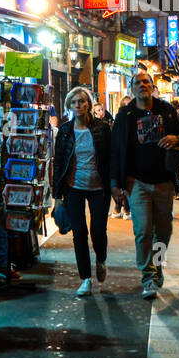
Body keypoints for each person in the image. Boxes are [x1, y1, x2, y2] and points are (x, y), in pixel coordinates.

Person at [111, 72, 179, 299]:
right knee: (143, 231)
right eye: (138, 83)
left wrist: (176, 139)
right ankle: (148, 277)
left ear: (152, 87)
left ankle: (158, 263)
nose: (142, 85)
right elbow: (115, 151)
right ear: (132, 89)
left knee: (163, 231)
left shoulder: (167, 111)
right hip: (137, 183)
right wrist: (115, 183)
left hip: (163, 181)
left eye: (146, 82)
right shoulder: (125, 115)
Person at [52, 87, 113, 296]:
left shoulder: (102, 128)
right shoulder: (65, 131)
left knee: (98, 230)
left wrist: (115, 185)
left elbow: (111, 158)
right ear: (69, 106)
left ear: (88, 104)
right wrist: (56, 195)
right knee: (79, 233)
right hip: (73, 188)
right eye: (74, 102)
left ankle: (101, 259)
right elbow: (58, 163)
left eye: (82, 101)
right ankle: (85, 278)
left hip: (98, 187)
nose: (78, 105)